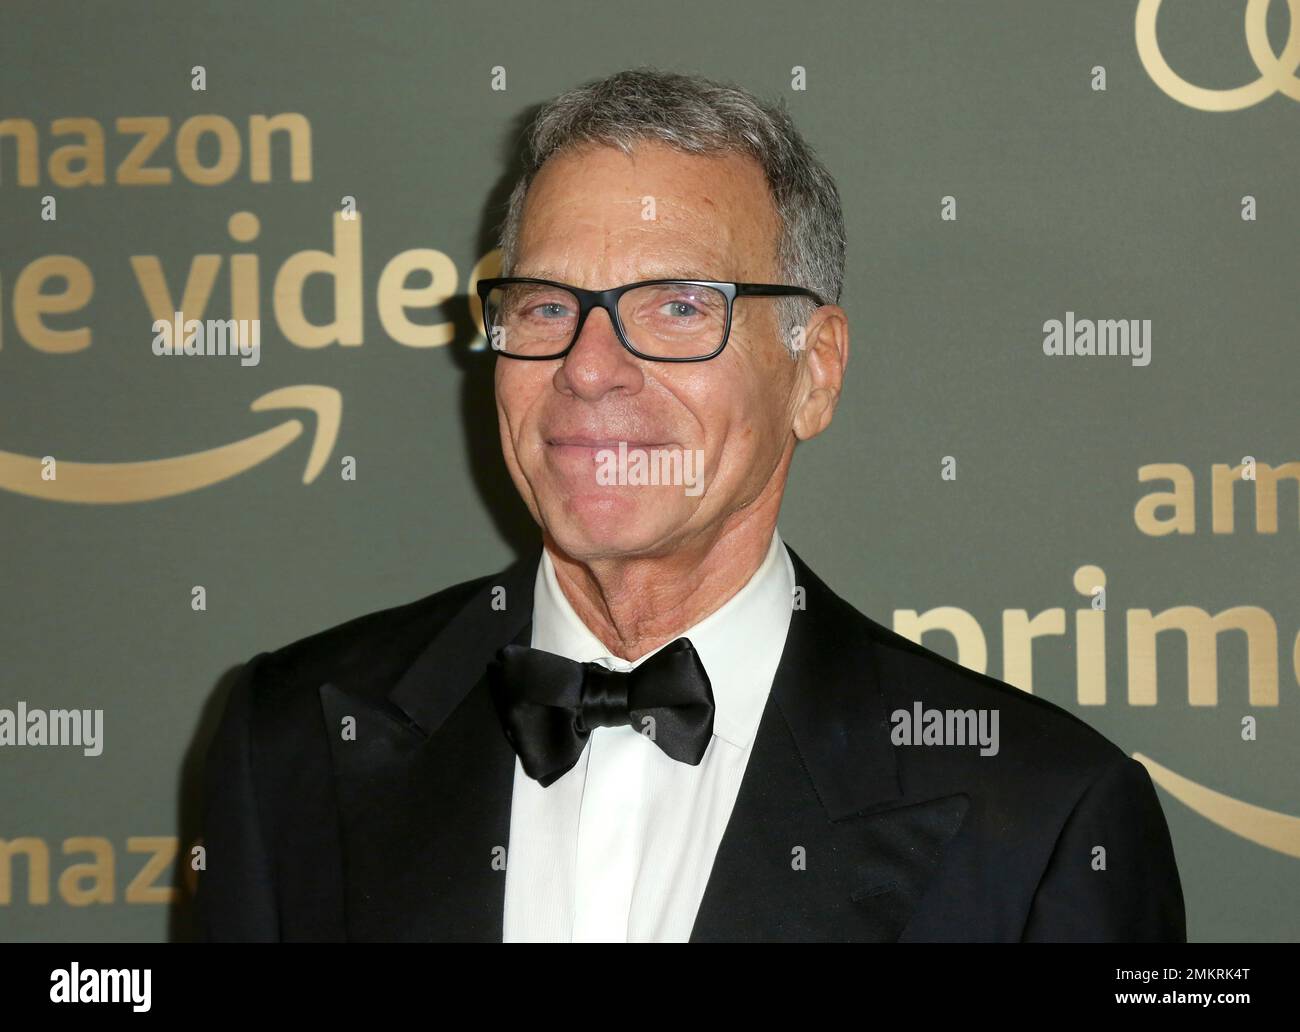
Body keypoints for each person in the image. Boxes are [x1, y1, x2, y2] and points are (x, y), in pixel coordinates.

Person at [196, 67, 1185, 942]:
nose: (588, 370)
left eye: (676, 307)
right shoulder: (293, 742)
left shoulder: (1040, 820)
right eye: (545, 305)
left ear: (814, 372)